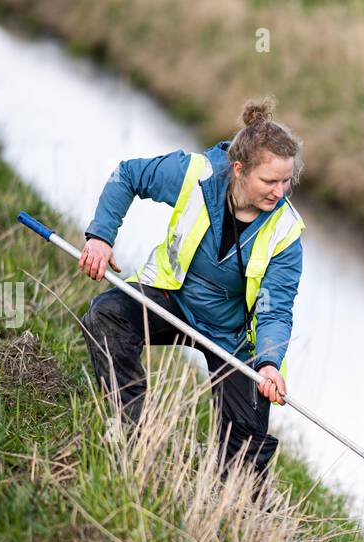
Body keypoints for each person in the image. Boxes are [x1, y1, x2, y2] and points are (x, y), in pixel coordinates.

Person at [76, 95, 305, 489]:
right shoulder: (195, 174)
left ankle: (234, 508)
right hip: (172, 297)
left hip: (234, 336)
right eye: (270, 181)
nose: (280, 192)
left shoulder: (286, 233)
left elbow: (275, 308)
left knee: (245, 458)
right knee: (105, 316)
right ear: (238, 170)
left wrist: (268, 363)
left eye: (287, 181)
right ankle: (129, 435)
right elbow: (128, 175)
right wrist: (100, 237)